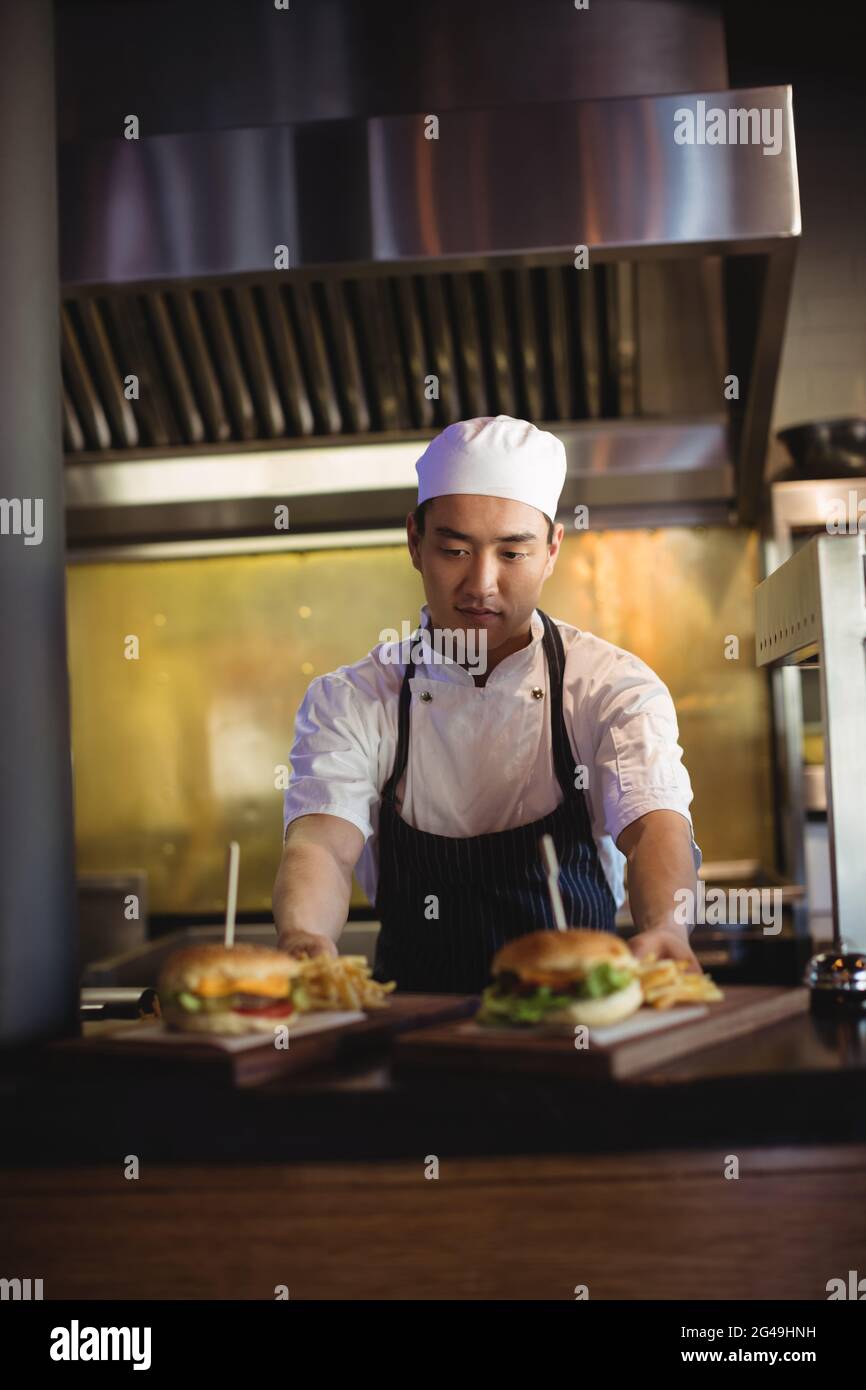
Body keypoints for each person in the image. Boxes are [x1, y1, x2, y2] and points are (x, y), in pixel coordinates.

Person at [273, 415, 701, 993]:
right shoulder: (352, 699)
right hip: (409, 1035)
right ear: (414, 543)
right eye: (454, 549)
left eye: (512, 554)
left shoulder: (609, 686)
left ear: (551, 550)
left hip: (573, 1022)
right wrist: (304, 935)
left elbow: (654, 825)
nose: (481, 583)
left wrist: (669, 929)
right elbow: (322, 841)